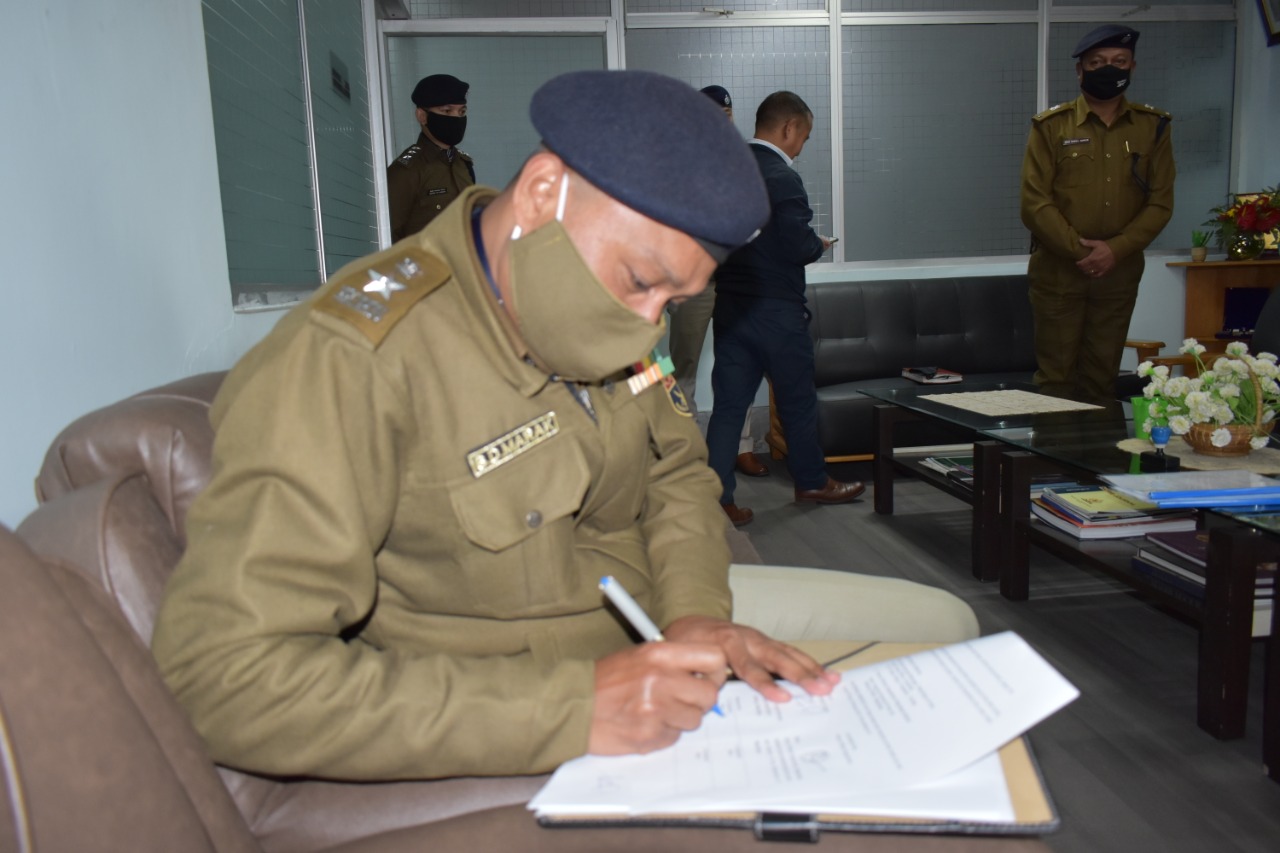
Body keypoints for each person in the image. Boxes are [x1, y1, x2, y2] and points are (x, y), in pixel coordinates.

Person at [152, 70, 978, 782]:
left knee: (946, 630)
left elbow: (677, 475)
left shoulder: (598, 313)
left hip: (653, 625)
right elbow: (225, 676)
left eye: (672, 303)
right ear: (545, 193)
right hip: (530, 683)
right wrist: (569, 709)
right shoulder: (351, 361)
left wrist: (694, 612)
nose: (645, 327)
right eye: (638, 281)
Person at [705, 91, 863, 529]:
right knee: (796, 402)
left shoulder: (726, 172)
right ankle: (812, 481)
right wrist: (820, 244)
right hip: (777, 311)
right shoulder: (783, 177)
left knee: (728, 408)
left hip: (732, 309)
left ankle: (719, 501)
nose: (801, 146)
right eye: (805, 136)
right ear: (789, 127)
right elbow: (796, 245)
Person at [1020, 24, 1175, 404]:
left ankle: (1095, 463)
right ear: (1080, 70)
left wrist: (1115, 250)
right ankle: (1053, 463)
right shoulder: (1051, 127)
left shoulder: (1152, 126)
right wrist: (1082, 251)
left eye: (1118, 62)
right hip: (1059, 270)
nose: (1110, 68)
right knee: (1056, 379)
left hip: (1118, 273)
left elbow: (1160, 202)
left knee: (1102, 378)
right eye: (1098, 62)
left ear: (1132, 67)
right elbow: (1035, 202)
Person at [665, 84, 767, 478]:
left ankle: (739, 447)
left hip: (734, 278)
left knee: (734, 363)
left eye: (728, 116)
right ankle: (686, 449)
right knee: (685, 364)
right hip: (693, 280)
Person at [387, 73, 475, 241]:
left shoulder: (463, 165)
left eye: (461, 112)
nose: (456, 118)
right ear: (422, 116)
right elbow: (390, 236)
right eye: (447, 111)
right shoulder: (408, 170)